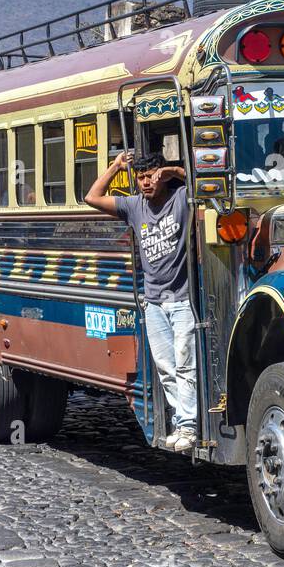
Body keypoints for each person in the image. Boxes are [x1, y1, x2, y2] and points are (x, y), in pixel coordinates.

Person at [84, 150, 197, 452]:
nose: (146, 182)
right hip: (154, 301)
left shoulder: (182, 198)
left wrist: (173, 171)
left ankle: (188, 427)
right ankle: (182, 422)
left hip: (183, 298)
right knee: (166, 367)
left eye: (152, 176)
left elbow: (205, 186)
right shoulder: (135, 206)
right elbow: (92, 197)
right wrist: (116, 166)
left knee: (187, 365)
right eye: (141, 177)